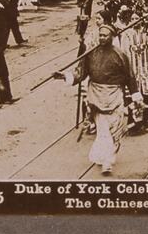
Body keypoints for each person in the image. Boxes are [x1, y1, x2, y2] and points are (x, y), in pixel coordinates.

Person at [59, 27, 138, 176]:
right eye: (100, 35)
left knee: (115, 129)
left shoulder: (120, 55)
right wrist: (65, 76)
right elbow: (81, 73)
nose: (102, 38)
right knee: (103, 131)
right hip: (96, 96)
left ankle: (108, 155)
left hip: (115, 96)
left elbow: (130, 77)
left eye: (105, 36)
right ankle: (107, 161)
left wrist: (135, 96)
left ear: (112, 37)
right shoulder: (91, 54)